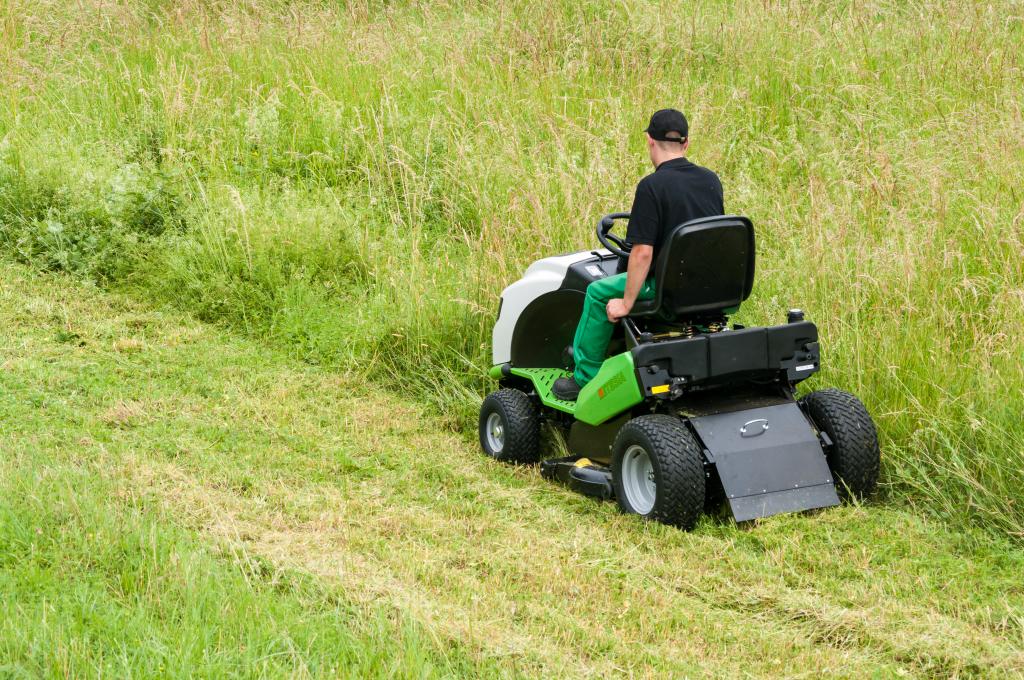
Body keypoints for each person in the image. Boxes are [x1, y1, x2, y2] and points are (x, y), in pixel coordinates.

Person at [552, 109, 724, 401]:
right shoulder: (711, 180)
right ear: (686, 143)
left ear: (649, 141)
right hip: (708, 288)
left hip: (667, 290)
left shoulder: (651, 187)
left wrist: (626, 302)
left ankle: (584, 380)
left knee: (597, 293)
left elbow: (642, 253)